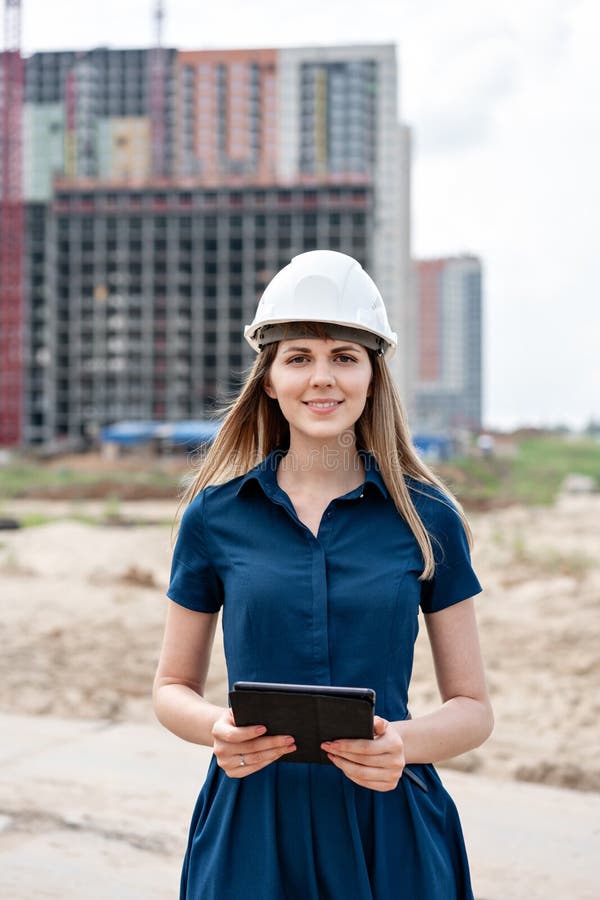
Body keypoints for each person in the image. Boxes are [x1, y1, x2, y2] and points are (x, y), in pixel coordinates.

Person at [153, 250, 494, 899]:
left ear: (372, 374)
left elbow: (474, 710)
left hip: (388, 821)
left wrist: (403, 743)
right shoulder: (212, 519)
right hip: (252, 825)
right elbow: (171, 685)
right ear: (271, 378)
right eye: (299, 357)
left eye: (344, 356)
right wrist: (215, 731)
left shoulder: (427, 520)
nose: (322, 378)